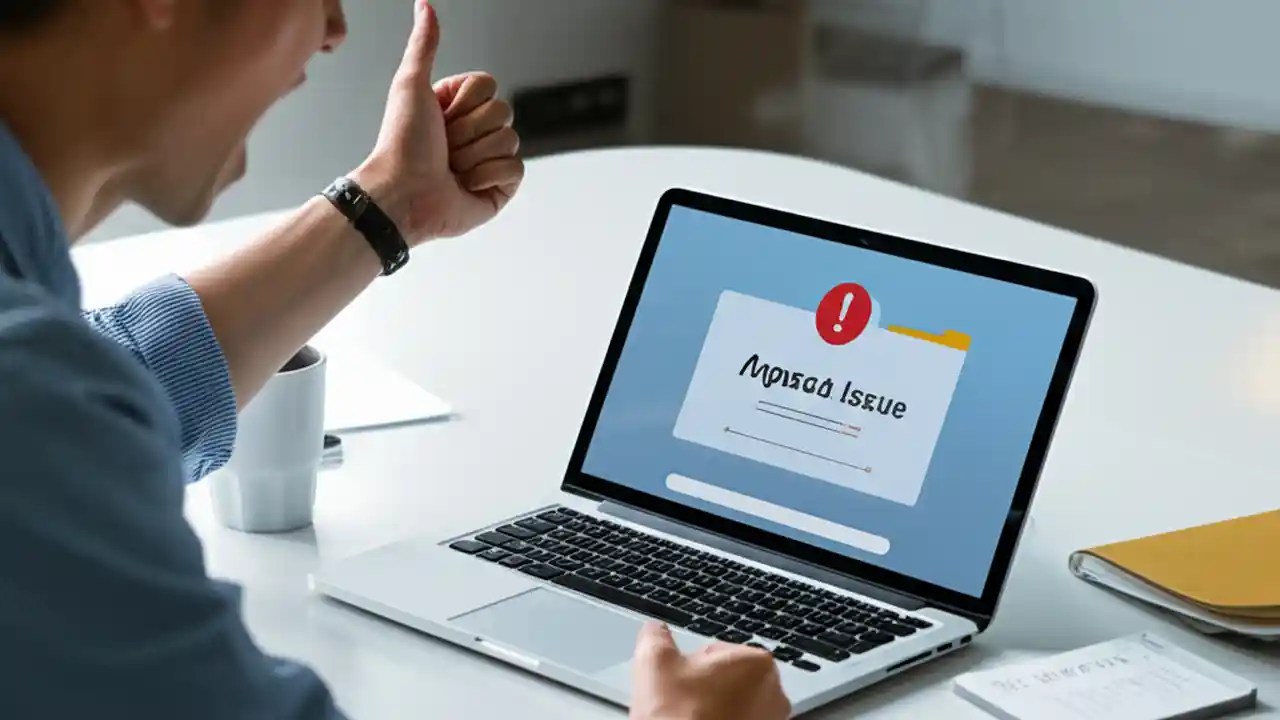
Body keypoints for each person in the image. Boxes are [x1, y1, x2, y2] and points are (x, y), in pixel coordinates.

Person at [0, 1, 791, 718]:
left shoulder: (41, 389)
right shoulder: (31, 415)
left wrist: (390, 206)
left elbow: (98, 389)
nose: (335, 28)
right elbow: (46, 425)